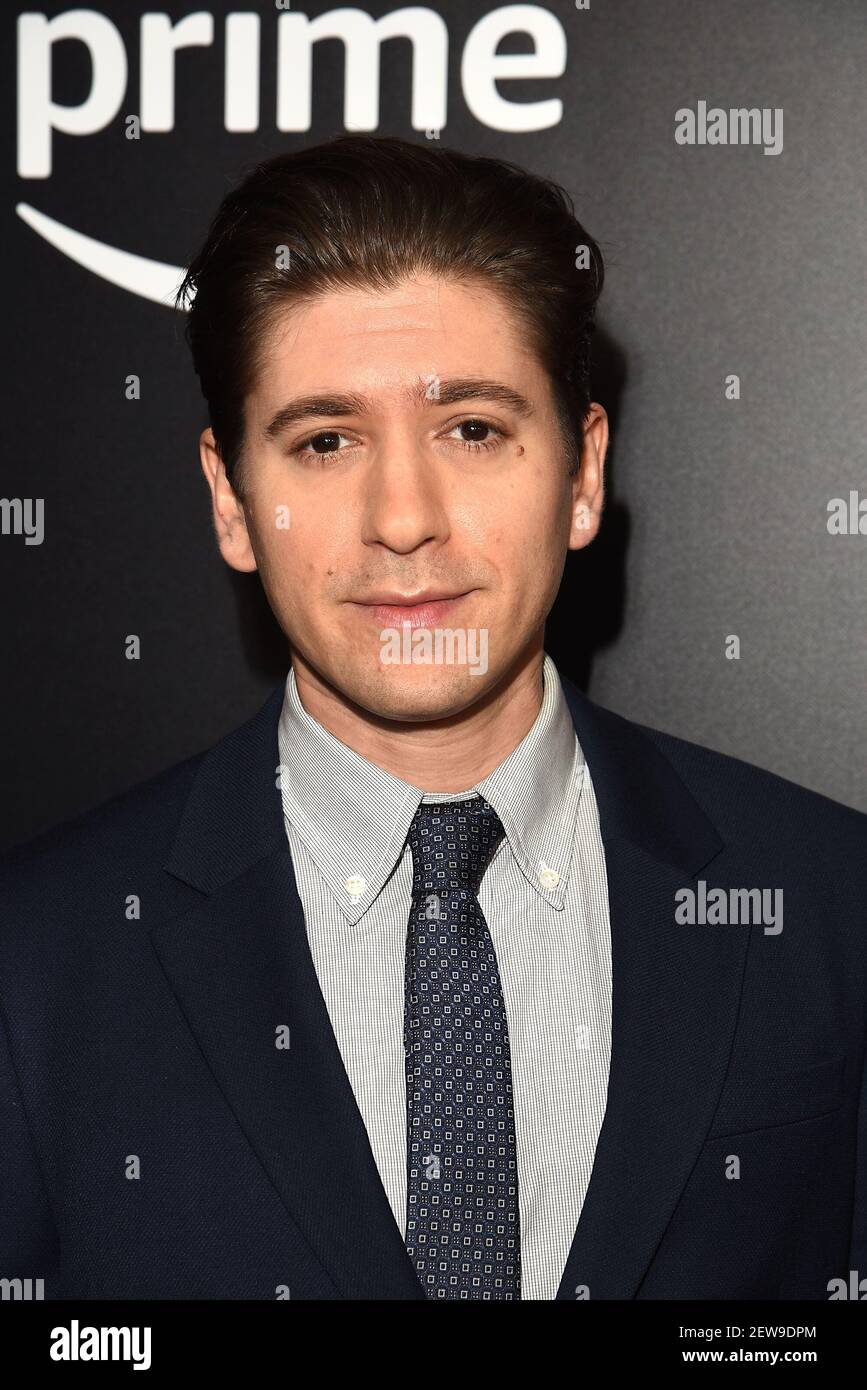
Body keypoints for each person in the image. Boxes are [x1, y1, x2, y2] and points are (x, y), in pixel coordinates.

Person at [1, 135, 865, 1301]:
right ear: (233, 502)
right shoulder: (38, 962)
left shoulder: (828, 905)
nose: (403, 518)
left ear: (582, 471)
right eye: (325, 441)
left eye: (471, 429)